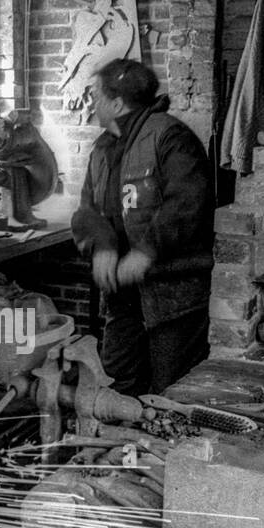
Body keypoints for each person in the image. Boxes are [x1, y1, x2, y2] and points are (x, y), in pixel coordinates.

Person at [71, 59, 215, 396]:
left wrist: (145, 252)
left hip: (173, 299)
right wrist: (103, 247)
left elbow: (188, 203)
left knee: (171, 390)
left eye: (96, 95)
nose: (91, 103)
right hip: (123, 299)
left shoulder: (170, 137)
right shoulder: (102, 149)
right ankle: (120, 447)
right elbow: (86, 213)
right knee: (115, 382)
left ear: (117, 102)